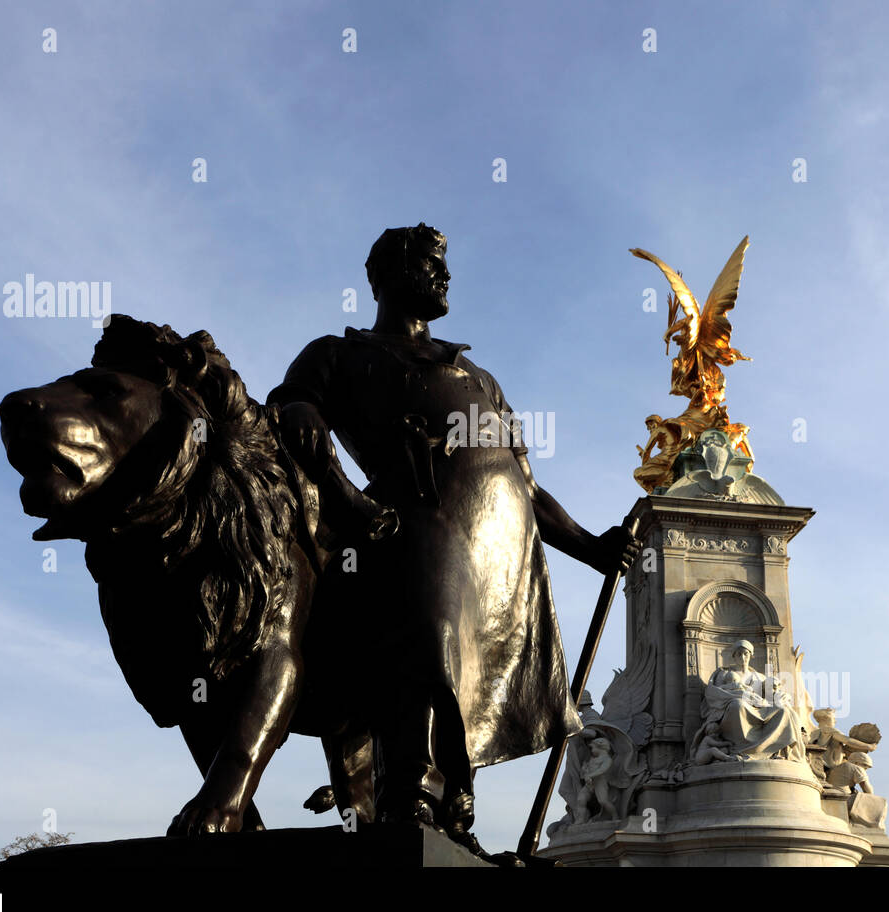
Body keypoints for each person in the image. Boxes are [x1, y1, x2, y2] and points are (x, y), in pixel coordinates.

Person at [268, 223, 639, 849]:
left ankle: (451, 814)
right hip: (411, 520)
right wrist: (321, 449)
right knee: (429, 649)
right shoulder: (340, 352)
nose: (444, 277)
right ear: (387, 277)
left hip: (497, 554)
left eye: (445, 266)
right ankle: (408, 799)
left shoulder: (479, 379)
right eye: (429, 265)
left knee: (465, 675)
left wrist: (590, 548)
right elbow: (293, 406)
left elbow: (525, 487)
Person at [701, 640, 805, 761]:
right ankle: (739, 749)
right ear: (734, 656)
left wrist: (782, 697)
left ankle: (769, 750)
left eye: (745, 654)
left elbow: (770, 695)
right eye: (739, 654)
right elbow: (714, 694)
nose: (742, 657)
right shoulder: (724, 673)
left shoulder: (759, 677)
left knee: (783, 711)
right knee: (738, 705)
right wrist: (739, 694)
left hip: (759, 708)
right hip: (733, 707)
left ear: (751, 655)